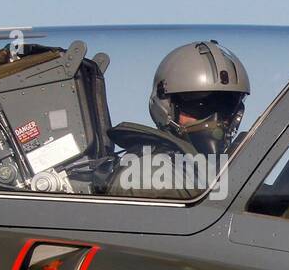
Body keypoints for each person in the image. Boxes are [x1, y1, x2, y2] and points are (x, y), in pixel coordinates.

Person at [107, 41, 250, 198]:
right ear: (167, 108)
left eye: (225, 108)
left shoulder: (201, 172)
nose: (215, 120)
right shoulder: (149, 174)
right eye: (199, 106)